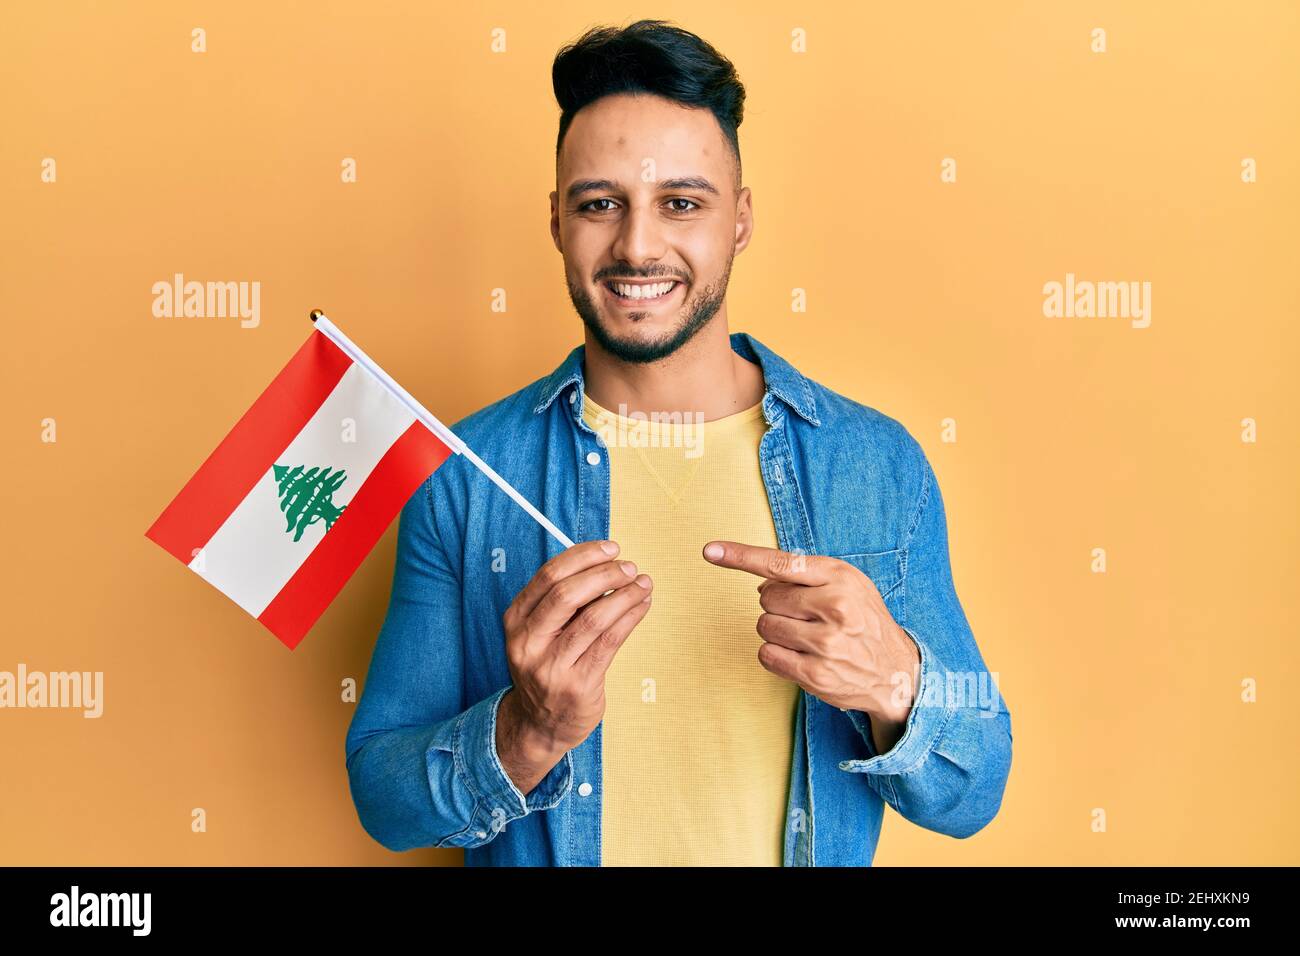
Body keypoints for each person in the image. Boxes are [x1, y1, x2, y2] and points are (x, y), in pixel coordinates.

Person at [345, 18, 1011, 866]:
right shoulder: (466, 477)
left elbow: (975, 789)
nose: (637, 245)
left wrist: (895, 685)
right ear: (557, 221)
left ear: (738, 220)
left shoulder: (875, 466)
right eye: (600, 204)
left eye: (681, 203)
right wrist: (526, 731)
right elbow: (384, 797)